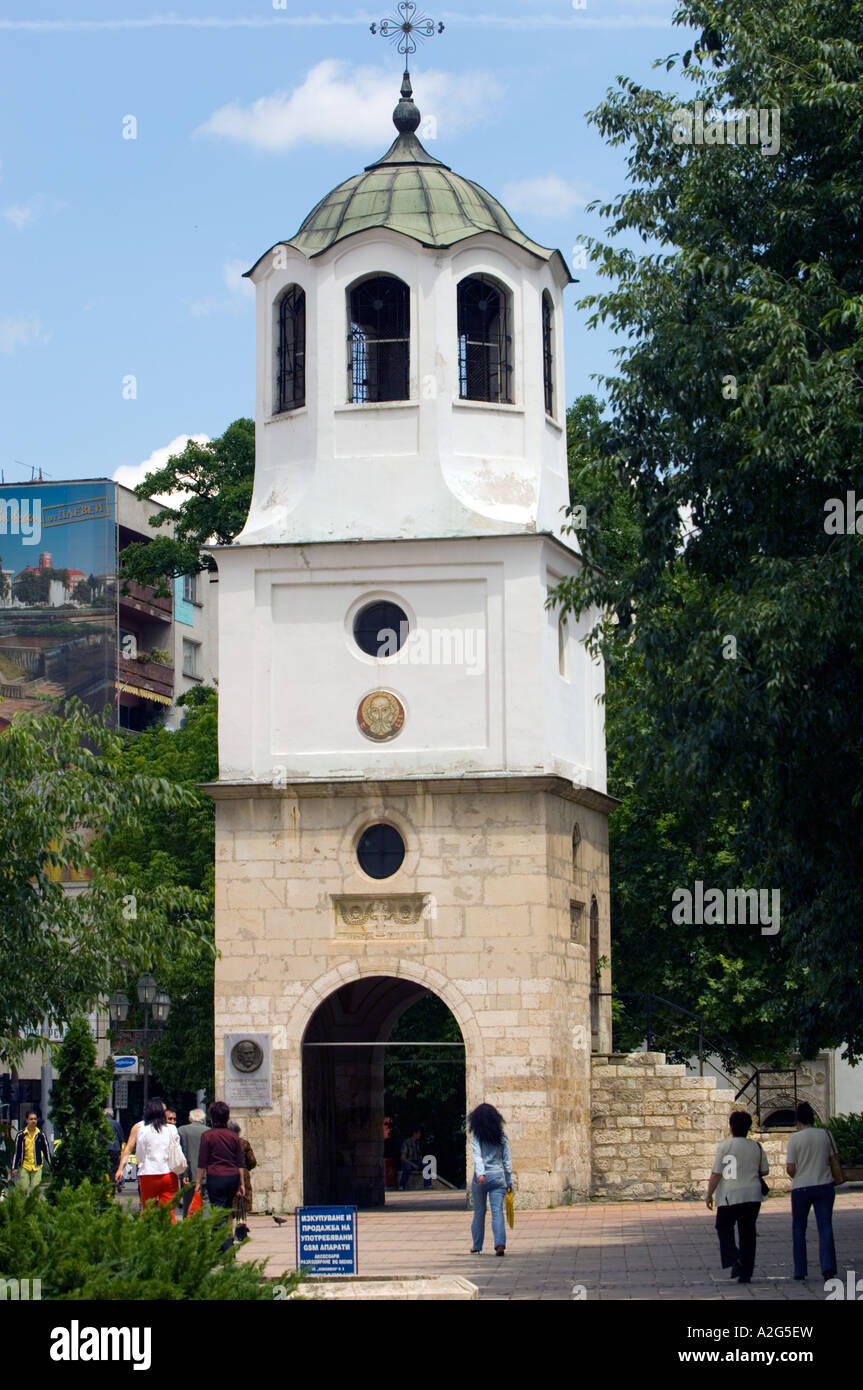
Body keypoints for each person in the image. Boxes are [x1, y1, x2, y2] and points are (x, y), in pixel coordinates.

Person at [706, 1110, 769, 1283]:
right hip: (752, 1194)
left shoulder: (725, 1146)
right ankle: (746, 1272)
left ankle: (735, 1257)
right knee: (748, 1232)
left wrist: (709, 1194)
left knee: (723, 1227)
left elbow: (717, 1173)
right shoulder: (756, 1146)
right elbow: (765, 1170)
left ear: (731, 1127)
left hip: (729, 1195)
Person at [786, 1101, 838, 1281]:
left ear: (798, 1120)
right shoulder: (825, 1134)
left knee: (799, 1228)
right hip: (824, 1185)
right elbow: (833, 1159)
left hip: (801, 1187)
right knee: (825, 1227)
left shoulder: (794, 1139)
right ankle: (828, 1268)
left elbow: (791, 1168)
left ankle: (800, 1270)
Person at [195, 1101, 246, 1252]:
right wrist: (241, 1183)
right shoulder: (234, 1137)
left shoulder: (207, 1136)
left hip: (215, 1177)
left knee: (217, 1211)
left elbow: (202, 1162)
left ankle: (222, 1246)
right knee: (227, 1210)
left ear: (212, 1117)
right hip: (232, 1177)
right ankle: (224, 1245)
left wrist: (198, 1181)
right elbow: (239, 1162)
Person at [468, 1103, 513, 1256]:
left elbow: (477, 1156)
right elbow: (507, 1161)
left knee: (479, 1212)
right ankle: (500, 1244)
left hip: (481, 1178)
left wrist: (481, 1173)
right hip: (498, 1177)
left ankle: (477, 1245)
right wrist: (509, 1182)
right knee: (497, 1212)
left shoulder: (477, 1136)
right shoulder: (502, 1137)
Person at [135, 1099, 182, 1218]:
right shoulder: (171, 1129)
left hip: (148, 1174)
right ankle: (168, 1234)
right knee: (169, 1211)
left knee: (148, 1209)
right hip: (168, 1173)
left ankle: (149, 1233)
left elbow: (139, 1156)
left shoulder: (143, 1130)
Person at [11, 1111, 51, 1195]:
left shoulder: (40, 1135)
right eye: (31, 1119)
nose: (33, 1121)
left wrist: (51, 1164)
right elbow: (16, 1152)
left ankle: (34, 1207)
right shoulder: (21, 1135)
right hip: (24, 1166)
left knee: (35, 1190)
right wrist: (14, 1167)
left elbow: (46, 1150)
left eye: (35, 1119)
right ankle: (23, 1206)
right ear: (27, 1121)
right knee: (24, 1188)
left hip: (37, 1166)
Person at [178, 1108, 209, 1217]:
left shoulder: (181, 1130)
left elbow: (181, 1153)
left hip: (188, 1175)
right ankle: (205, 1227)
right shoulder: (209, 1131)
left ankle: (189, 1228)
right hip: (206, 1174)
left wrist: (184, 1173)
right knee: (206, 1202)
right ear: (203, 1119)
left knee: (188, 1203)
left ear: (190, 1118)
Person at [228, 1120, 257, 1215]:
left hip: (228, 1172)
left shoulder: (224, 1142)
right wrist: (246, 1168)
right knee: (242, 1202)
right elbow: (252, 1161)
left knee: (229, 1204)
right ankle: (241, 1224)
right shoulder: (244, 1143)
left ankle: (228, 1226)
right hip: (243, 1173)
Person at [104, 1108, 124, 1185]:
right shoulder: (116, 1123)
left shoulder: (100, 1123)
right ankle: (114, 1182)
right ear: (112, 1115)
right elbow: (121, 1137)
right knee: (114, 1166)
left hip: (104, 1148)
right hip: (115, 1148)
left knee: (104, 1166)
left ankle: (105, 1182)